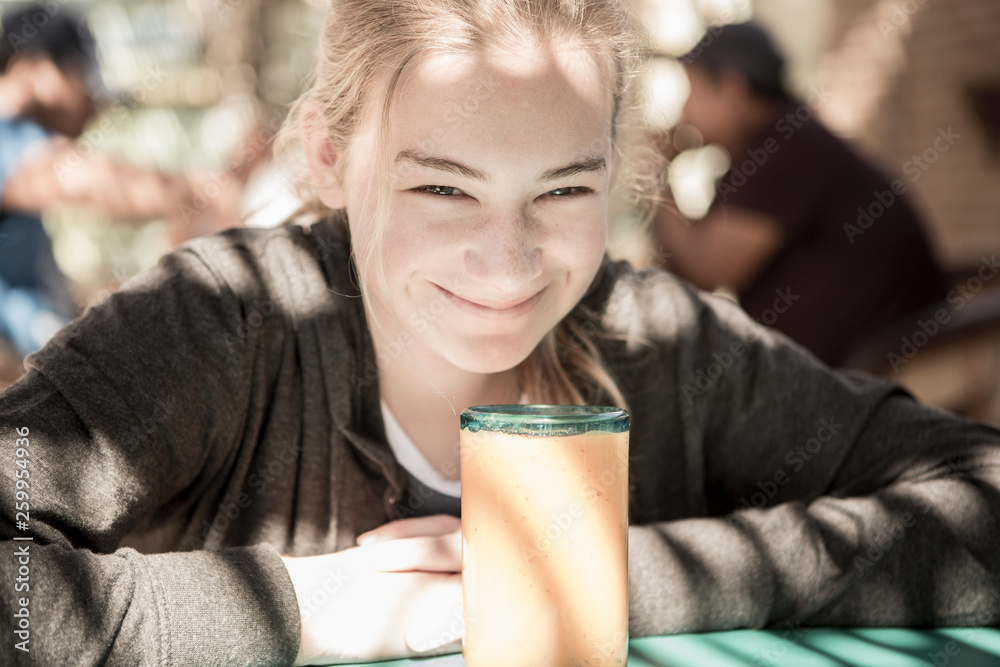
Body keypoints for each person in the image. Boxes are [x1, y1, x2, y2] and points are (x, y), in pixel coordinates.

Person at [1, 1, 999, 664]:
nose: (509, 257)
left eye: (563, 189)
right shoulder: (226, 319)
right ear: (331, 158)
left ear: (613, 173)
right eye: (442, 184)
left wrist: (594, 579)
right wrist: (309, 605)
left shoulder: (653, 340)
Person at [652, 21, 950, 368]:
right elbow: (690, 267)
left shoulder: (789, 149)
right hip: (844, 366)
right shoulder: (762, 150)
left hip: (883, 366)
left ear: (731, 89)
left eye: (692, 91)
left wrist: (655, 178)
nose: (684, 110)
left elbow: (709, 268)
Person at [0, 2, 239, 367]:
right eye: (84, 82)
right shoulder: (12, 139)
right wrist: (188, 188)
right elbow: (70, 178)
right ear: (32, 67)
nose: (93, 109)